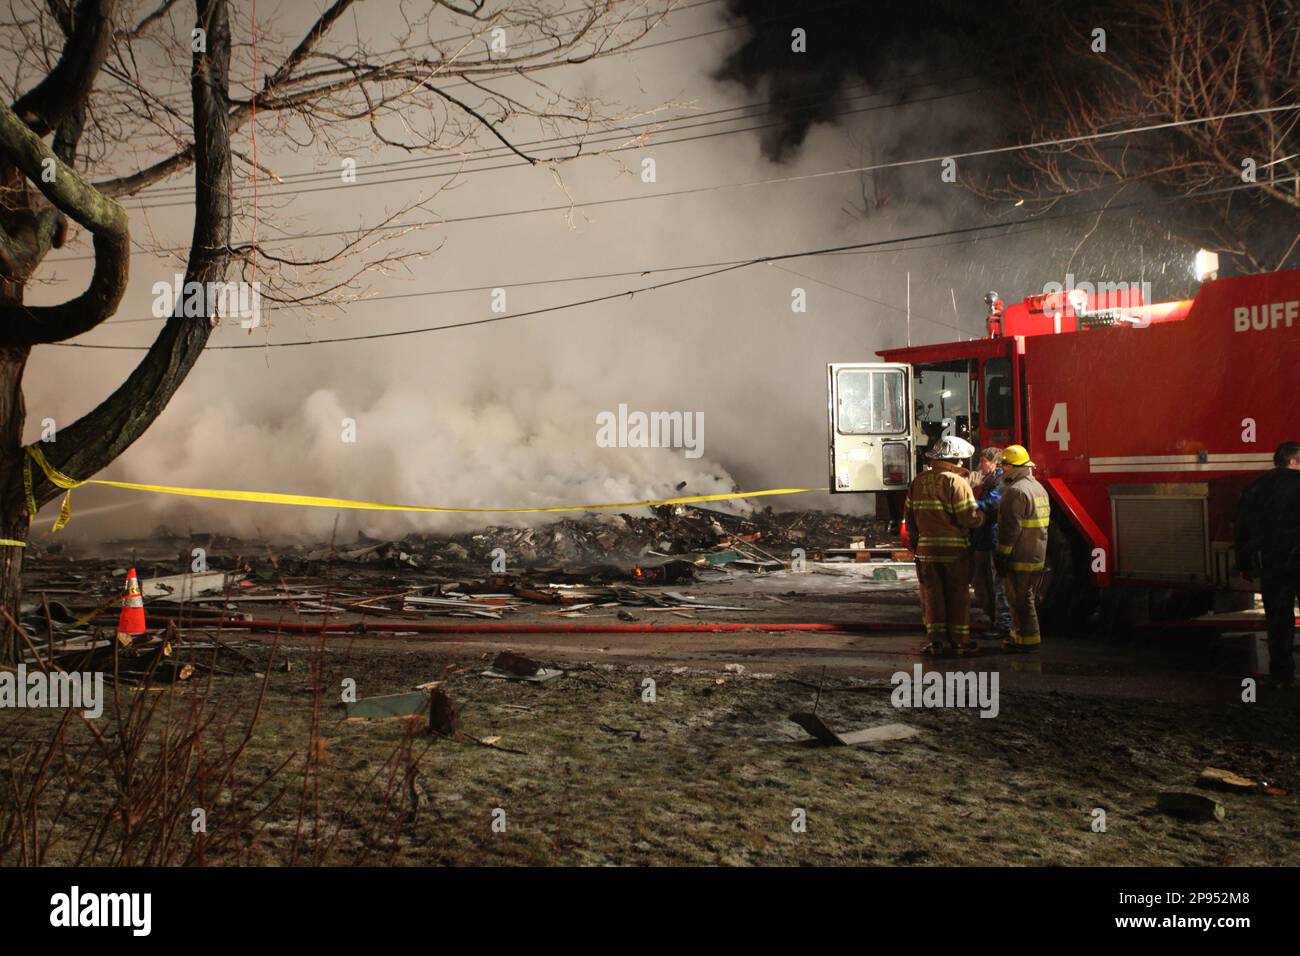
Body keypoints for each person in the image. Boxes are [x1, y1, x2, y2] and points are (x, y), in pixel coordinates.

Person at [905, 435, 984, 655]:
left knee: (932, 596)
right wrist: (983, 518)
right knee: (958, 595)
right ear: (956, 459)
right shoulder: (956, 482)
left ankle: (936, 641)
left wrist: (915, 545)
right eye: (961, 461)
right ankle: (959, 641)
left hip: (926, 552)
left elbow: (909, 519)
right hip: (954, 552)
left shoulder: (918, 481)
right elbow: (968, 517)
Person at [1235, 441, 1300, 689]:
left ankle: (1281, 675)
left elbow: (1242, 529)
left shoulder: (1256, 488)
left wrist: (1245, 564)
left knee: (1278, 619)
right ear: (1293, 461)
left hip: (1272, 563)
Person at [994, 444, 1050, 652]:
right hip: (1037, 553)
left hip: (1020, 554)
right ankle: (1021, 638)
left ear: (1011, 467)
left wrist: (1001, 555)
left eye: (1005, 467)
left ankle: (1026, 641)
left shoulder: (1015, 492)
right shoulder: (1038, 488)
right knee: (1026, 597)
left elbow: (1009, 529)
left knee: (1020, 599)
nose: (1003, 471)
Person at [970, 446, 1012, 640]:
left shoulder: (1000, 482)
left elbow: (994, 503)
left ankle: (1004, 625)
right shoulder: (991, 480)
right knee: (991, 582)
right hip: (987, 537)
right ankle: (997, 620)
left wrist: (971, 505)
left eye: (984, 461)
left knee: (1000, 585)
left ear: (995, 463)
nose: (980, 465)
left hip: (995, 538)